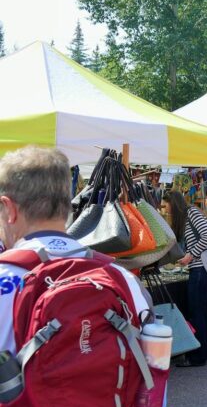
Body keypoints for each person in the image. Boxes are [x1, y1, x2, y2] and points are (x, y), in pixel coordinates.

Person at [0, 146, 150, 356]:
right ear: (66, 205)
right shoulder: (122, 278)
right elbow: (153, 376)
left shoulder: (5, 278)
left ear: (9, 209)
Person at [162, 191, 207, 367]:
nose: (165, 209)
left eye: (165, 205)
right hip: (199, 269)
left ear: (173, 203)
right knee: (201, 310)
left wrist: (190, 256)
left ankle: (198, 356)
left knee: (196, 311)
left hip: (200, 269)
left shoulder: (191, 212)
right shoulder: (187, 216)